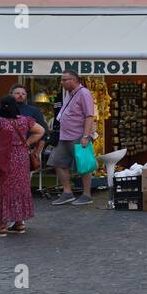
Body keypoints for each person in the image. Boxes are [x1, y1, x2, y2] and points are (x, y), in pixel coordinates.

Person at [0, 85, 49, 232]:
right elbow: (41, 131)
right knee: (20, 188)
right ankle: (19, 223)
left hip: (3, 157)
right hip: (21, 156)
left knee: (2, 189)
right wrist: (26, 143)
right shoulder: (25, 120)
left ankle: (2, 226)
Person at [49, 70, 97, 207]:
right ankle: (67, 192)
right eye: (62, 80)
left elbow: (89, 116)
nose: (62, 82)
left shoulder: (84, 93)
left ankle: (87, 195)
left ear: (74, 80)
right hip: (64, 136)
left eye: (65, 80)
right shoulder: (69, 94)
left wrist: (86, 136)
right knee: (57, 161)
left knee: (84, 165)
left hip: (78, 135)